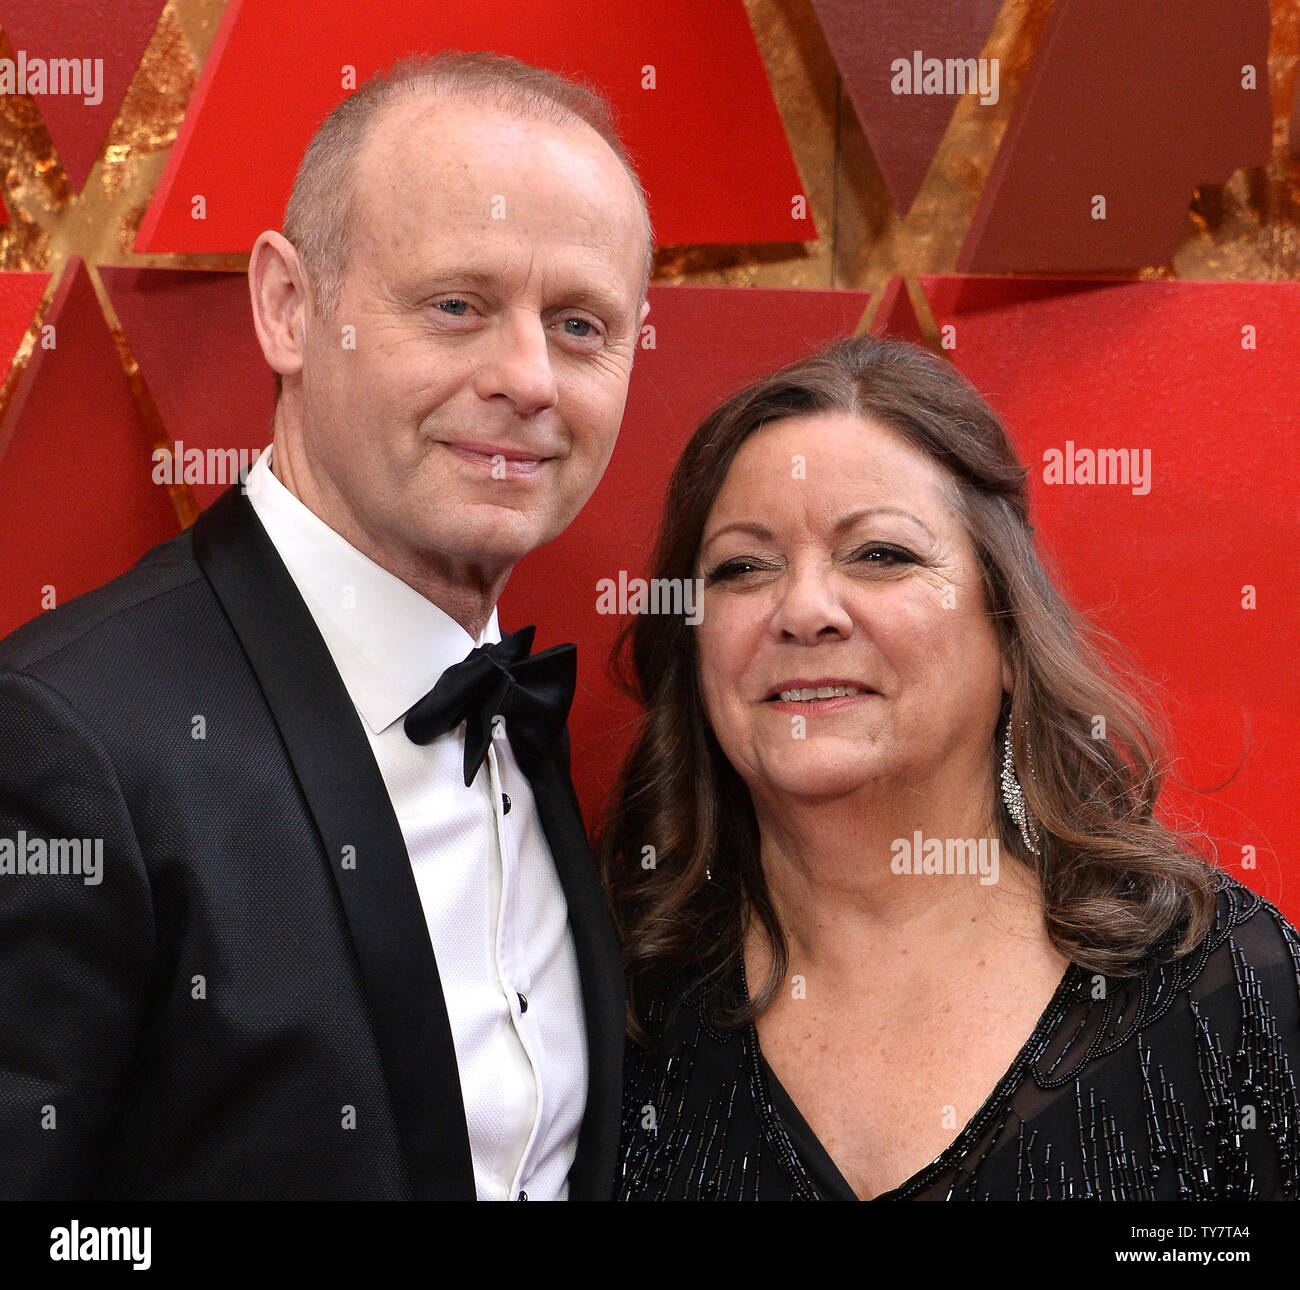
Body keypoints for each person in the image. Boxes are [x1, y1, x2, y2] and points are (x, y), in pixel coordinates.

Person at [0, 51, 651, 1200]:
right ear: (289, 309)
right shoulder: (64, 740)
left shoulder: (548, 734)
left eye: (583, 326)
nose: (529, 378)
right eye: (457, 305)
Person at [604, 335, 1300, 1201]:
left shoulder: (1225, 994)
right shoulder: (612, 1004)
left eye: (881, 555)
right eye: (744, 567)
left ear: (1009, 633)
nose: (805, 609)